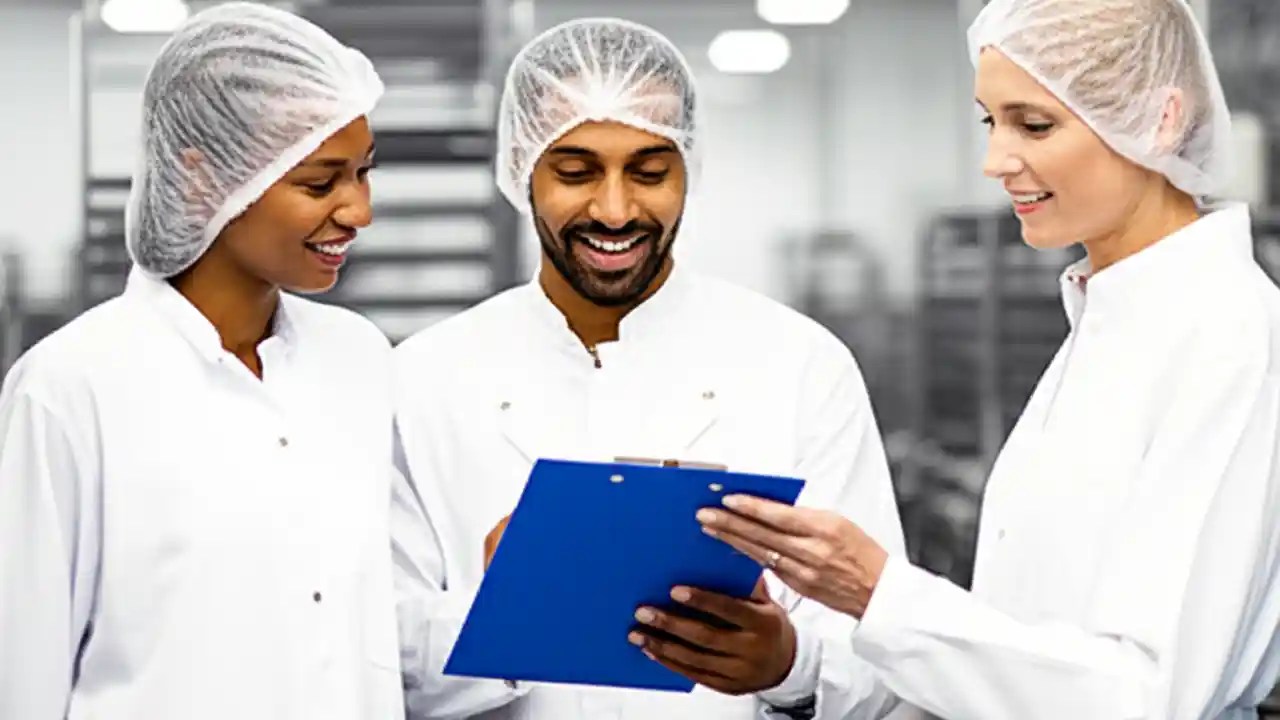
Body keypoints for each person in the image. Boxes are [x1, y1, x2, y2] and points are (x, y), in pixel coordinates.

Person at [697, 1, 1280, 718]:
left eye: (1035, 124)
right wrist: (799, 663)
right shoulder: (1110, 322)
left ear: (1160, 119)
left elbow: (1147, 696)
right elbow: (1020, 651)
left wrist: (879, 592)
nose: (995, 160)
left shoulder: (1230, 337)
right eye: (990, 120)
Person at [389, 17, 906, 720]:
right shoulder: (423, 378)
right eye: (574, 172)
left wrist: (789, 664)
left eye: (649, 170)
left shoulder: (799, 366)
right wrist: (507, 615)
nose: (614, 209)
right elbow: (374, 657)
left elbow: (884, 654)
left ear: (688, 167)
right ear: (521, 169)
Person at [0, 4, 403, 719]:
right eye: (320, 182)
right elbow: (22, 672)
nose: (359, 212)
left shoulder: (360, 361)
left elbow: (375, 629)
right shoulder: (71, 387)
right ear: (201, 176)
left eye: (364, 173)